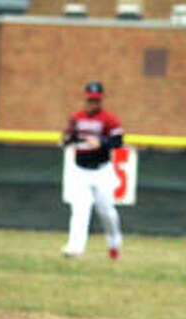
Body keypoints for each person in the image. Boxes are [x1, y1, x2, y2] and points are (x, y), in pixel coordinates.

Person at [60, 81, 124, 261]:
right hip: (81, 170)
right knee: (80, 209)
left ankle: (114, 244)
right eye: (90, 100)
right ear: (86, 99)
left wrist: (102, 143)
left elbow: (118, 141)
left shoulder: (109, 119)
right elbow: (66, 139)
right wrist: (67, 138)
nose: (93, 103)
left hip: (102, 171)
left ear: (101, 100)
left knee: (106, 212)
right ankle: (75, 248)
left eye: (96, 100)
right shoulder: (77, 118)